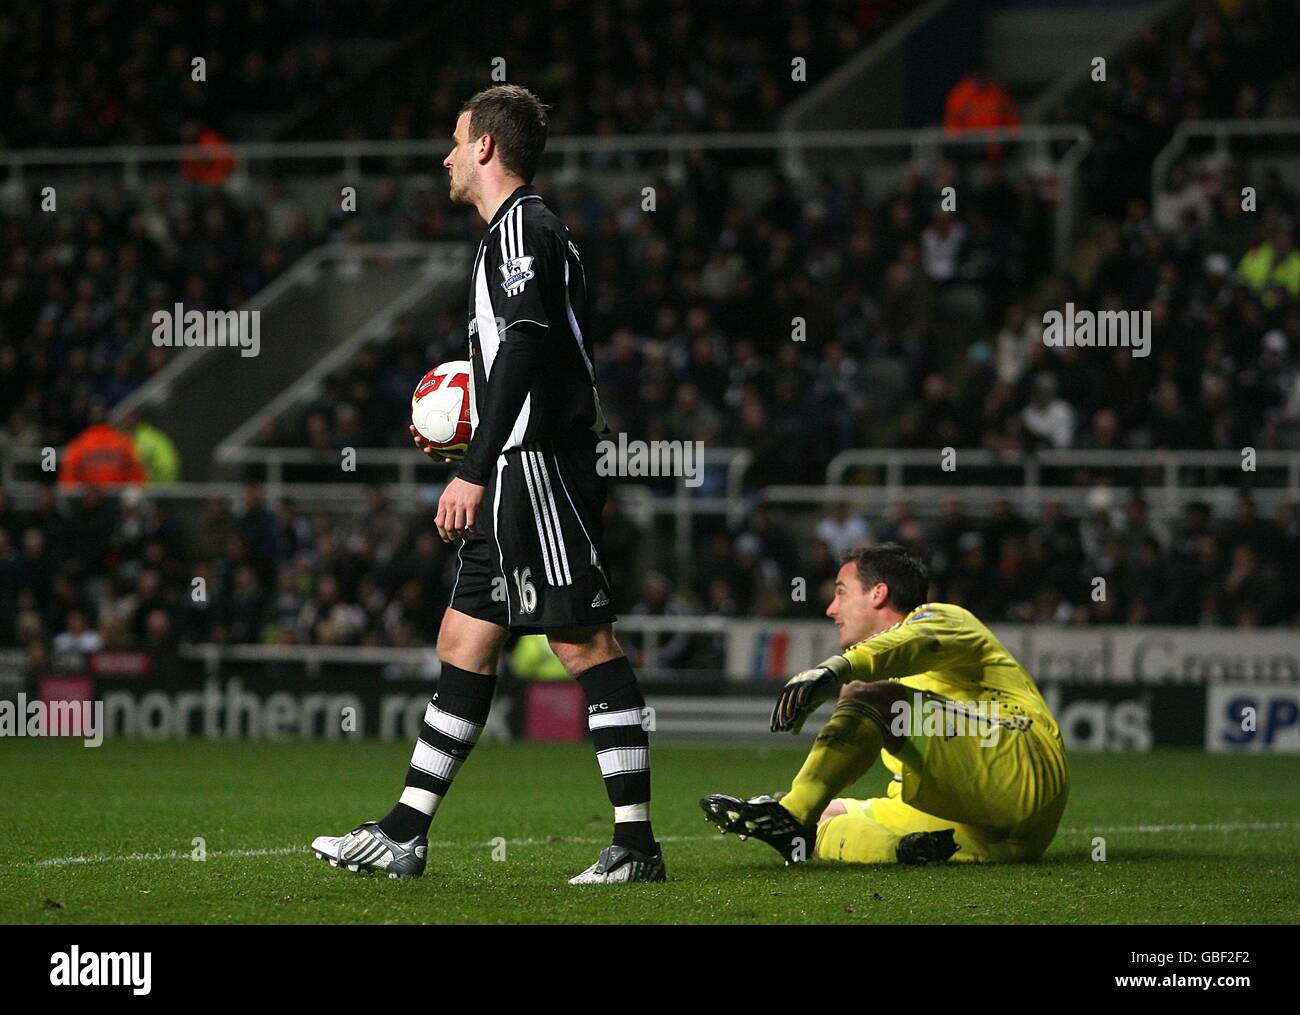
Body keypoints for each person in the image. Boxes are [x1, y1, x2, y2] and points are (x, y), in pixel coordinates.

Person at [312, 85, 663, 884]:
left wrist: (476, 464)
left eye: (454, 138)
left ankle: (637, 847)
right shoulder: (518, 233)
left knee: (581, 640)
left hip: (534, 464)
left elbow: (527, 344)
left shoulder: (522, 227)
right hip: (518, 465)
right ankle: (404, 832)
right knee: (463, 640)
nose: (444, 155)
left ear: (484, 147)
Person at [701, 543, 1069, 865]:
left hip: (1018, 761)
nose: (831, 608)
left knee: (867, 695)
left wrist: (837, 668)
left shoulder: (943, 618)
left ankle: (792, 813)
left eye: (841, 593)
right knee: (825, 816)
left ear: (878, 593)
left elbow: (911, 643)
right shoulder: (892, 681)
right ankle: (899, 850)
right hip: (999, 834)